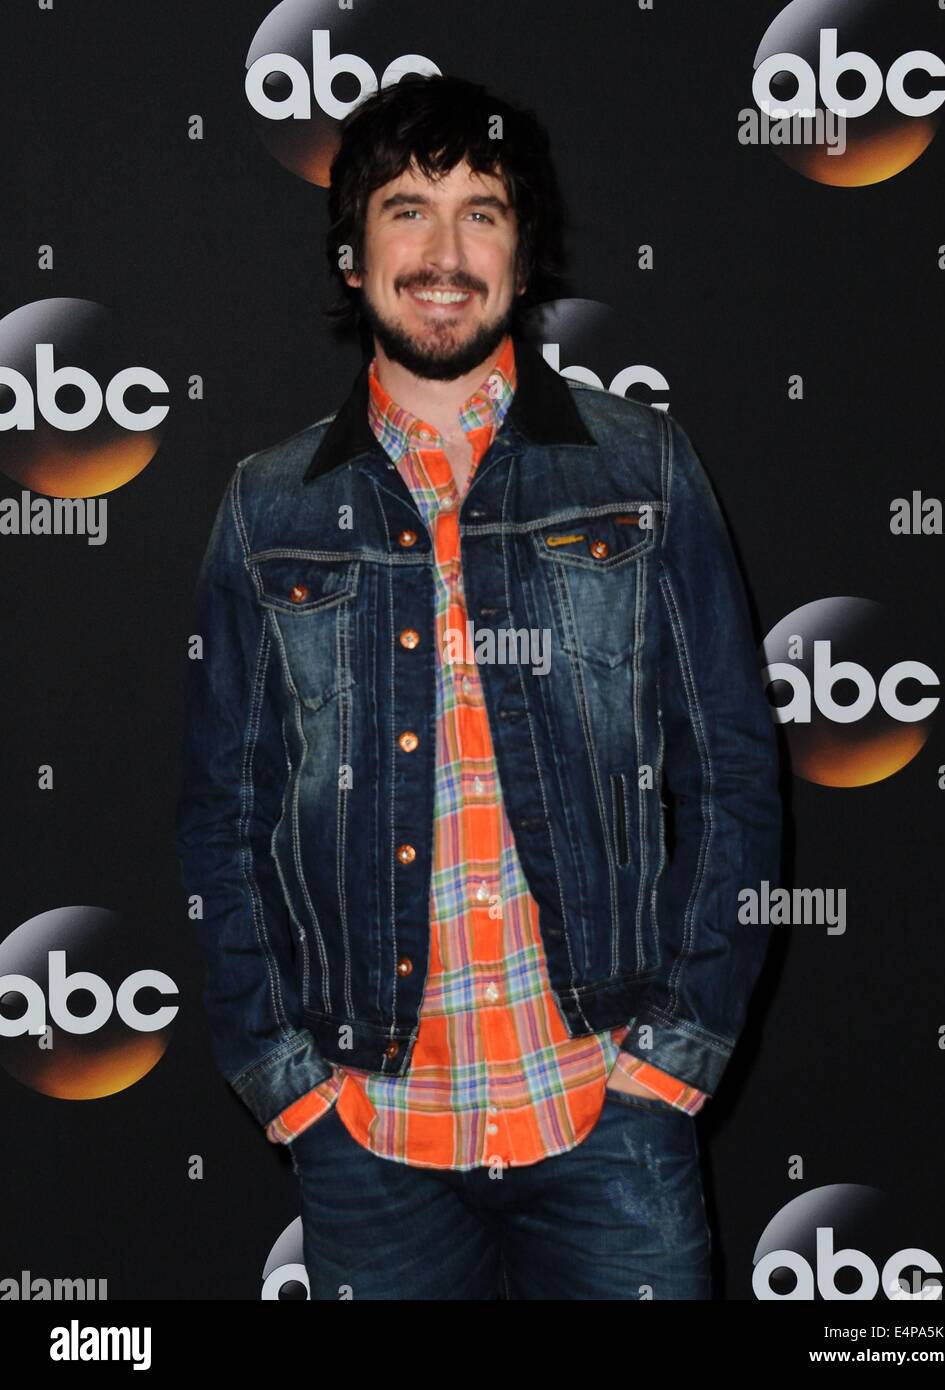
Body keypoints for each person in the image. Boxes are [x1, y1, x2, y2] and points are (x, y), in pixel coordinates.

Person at [174, 73, 781, 1300]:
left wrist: (670, 1060)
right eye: (407, 209)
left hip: (609, 1114)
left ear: (523, 248)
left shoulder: (638, 465)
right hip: (373, 1141)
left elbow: (730, 770)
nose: (443, 252)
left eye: (482, 212)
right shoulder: (268, 505)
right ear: (354, 252)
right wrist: (288, 1085)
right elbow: (222, 820)